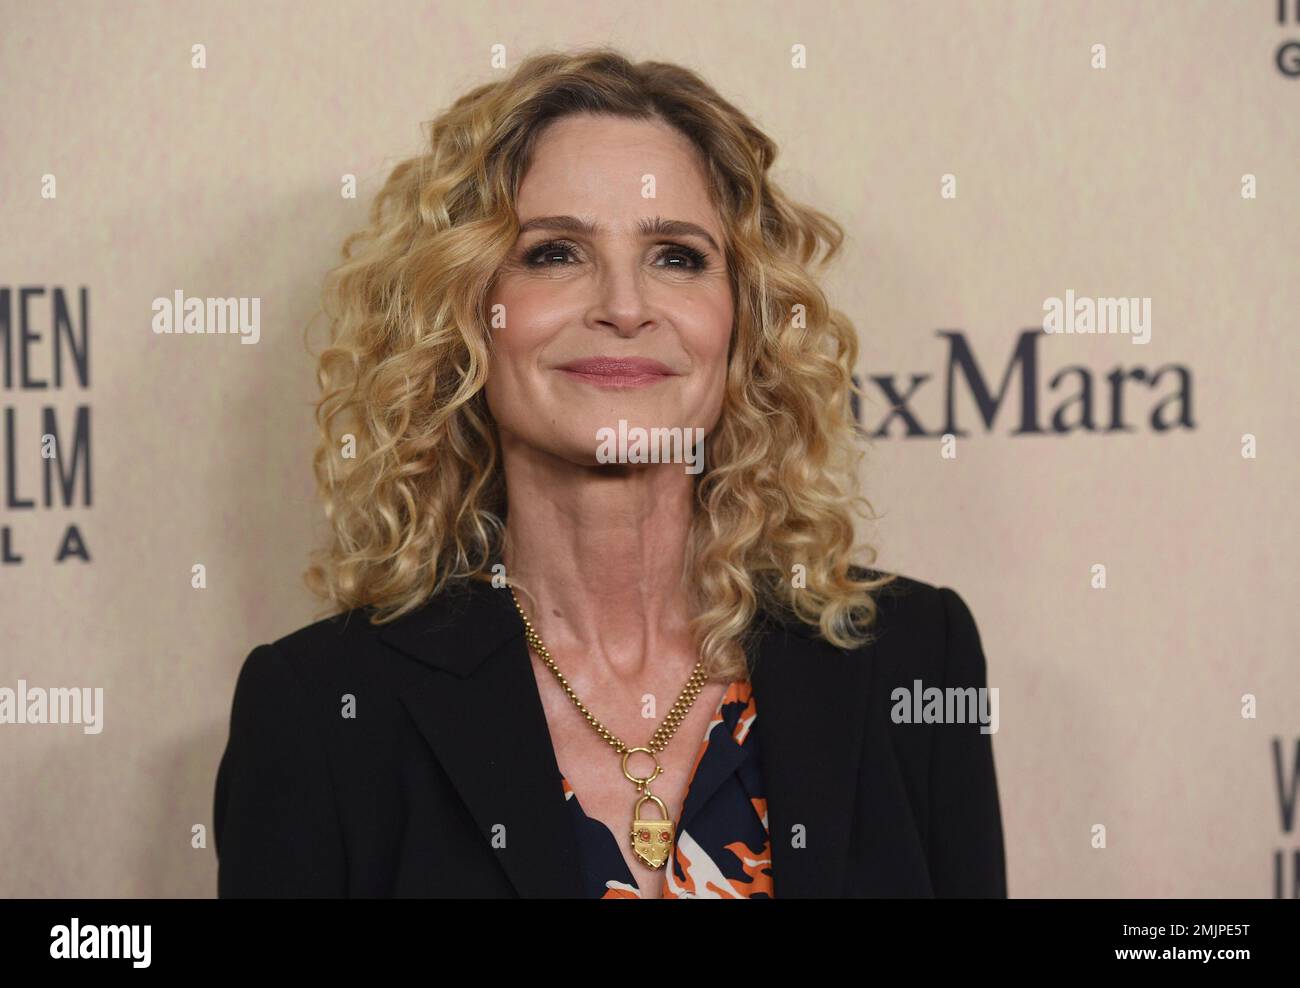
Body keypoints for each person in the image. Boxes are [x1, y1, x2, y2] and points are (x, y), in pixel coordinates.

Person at [213, 46, 1007, 899]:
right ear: (466, 316)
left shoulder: (913, 658)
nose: (625, 307)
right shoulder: (321, 710)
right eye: (555, 253)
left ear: (743, 323)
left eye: (678, 256)